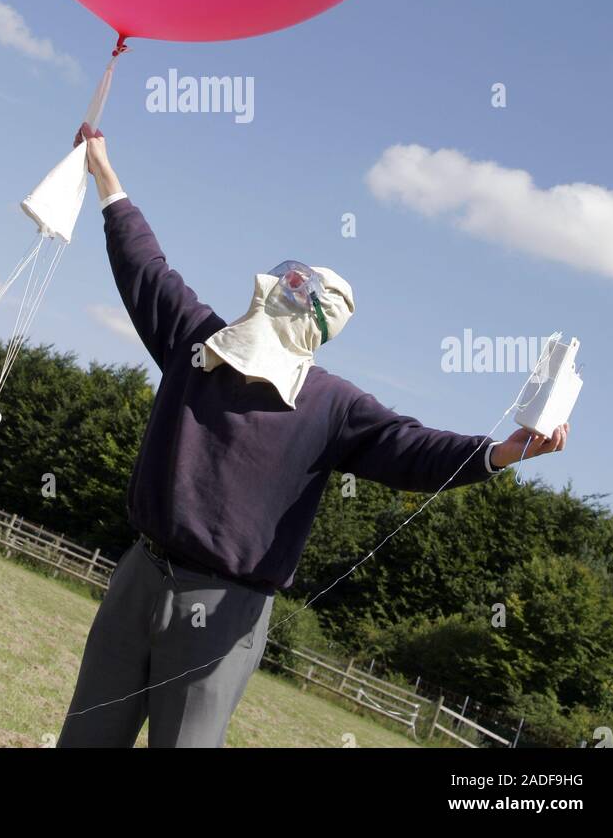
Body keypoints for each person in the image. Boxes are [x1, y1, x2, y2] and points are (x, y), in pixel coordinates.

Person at [57, 124, 569, 749]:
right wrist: (104, 174)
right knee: (84, 741)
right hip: (140, 573)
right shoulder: (196, 340)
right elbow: (144, 265)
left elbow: (413, 448)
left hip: (226, 610)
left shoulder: (332, 404)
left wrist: (500, 452)